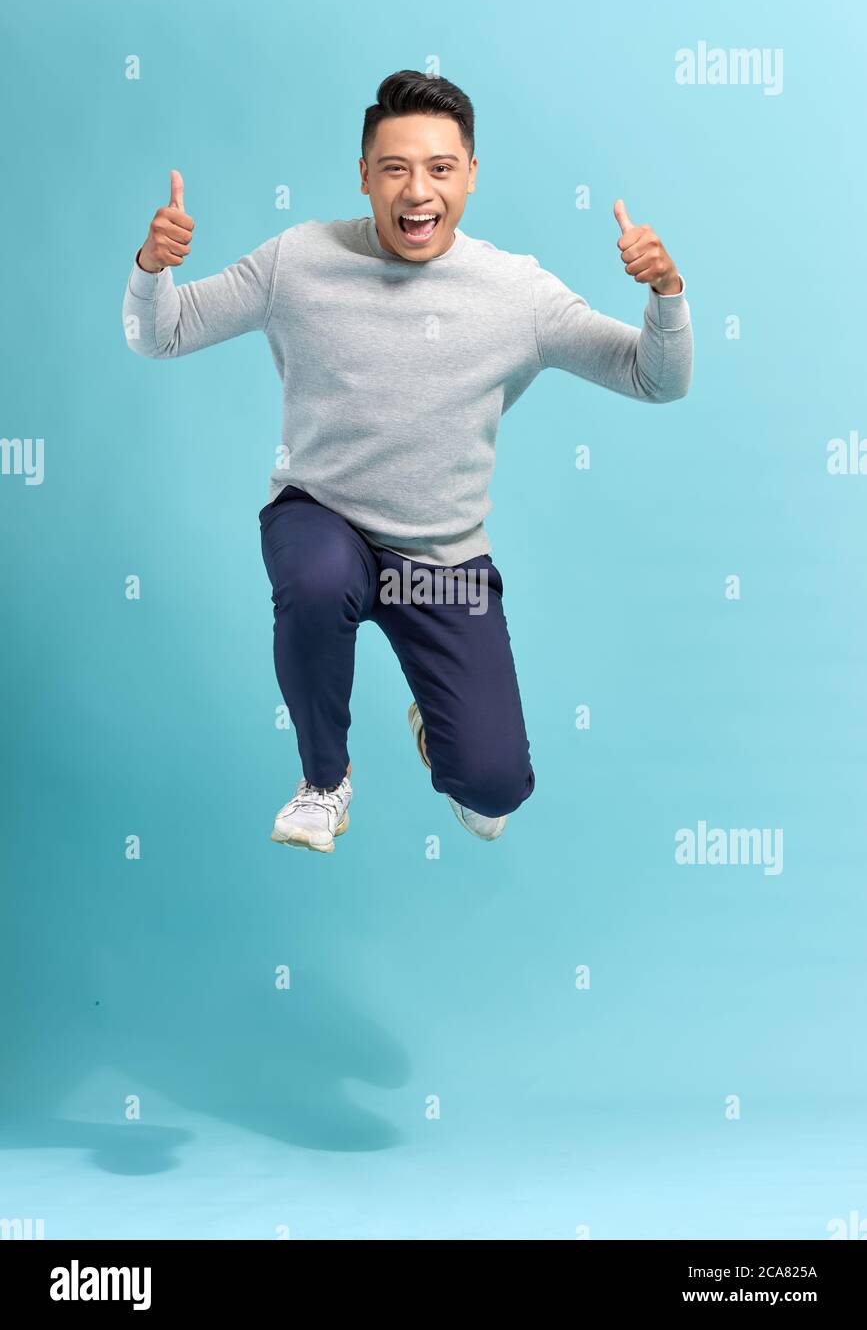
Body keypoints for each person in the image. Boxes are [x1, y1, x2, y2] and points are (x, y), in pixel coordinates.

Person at [121, 69, 693, 855]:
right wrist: (154, 270)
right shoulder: (300, 260)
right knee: (317, 579)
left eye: (439, 168)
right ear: (364, 175)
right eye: (394, 168)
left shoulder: (514, 292)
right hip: (322, 519)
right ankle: (324, 782)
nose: (415, 191)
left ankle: (440, 727)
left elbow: (654, 378)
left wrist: (666, 293)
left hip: (439, 558)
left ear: (470, 176)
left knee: (495, 789)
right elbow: (164, 333)